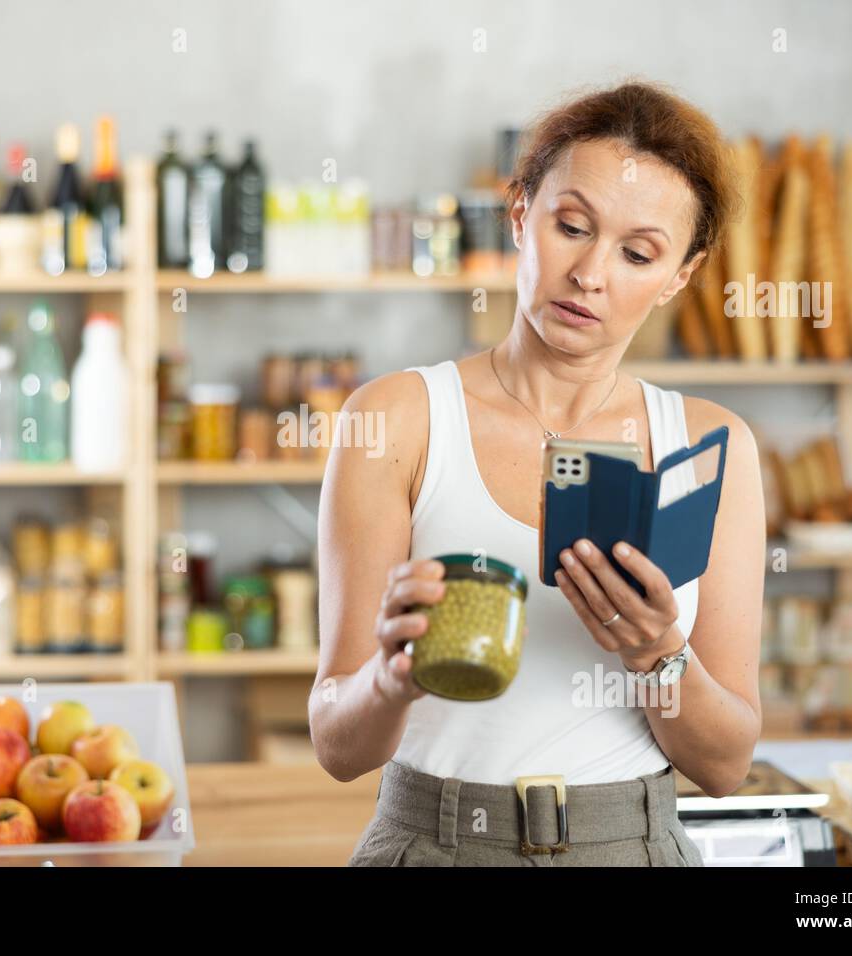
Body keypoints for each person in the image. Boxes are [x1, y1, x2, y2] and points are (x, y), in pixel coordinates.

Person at [310, 80, 765, 866]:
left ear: (679, 277)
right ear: (521, 215)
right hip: (433, 841)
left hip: (633, 847)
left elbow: (725, 765)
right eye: (572, 226)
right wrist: (390, 678)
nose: (590, 272)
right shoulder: (399, 420)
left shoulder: (706, 445)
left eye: (637, 252)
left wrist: (658, 652)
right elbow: (337, 745)